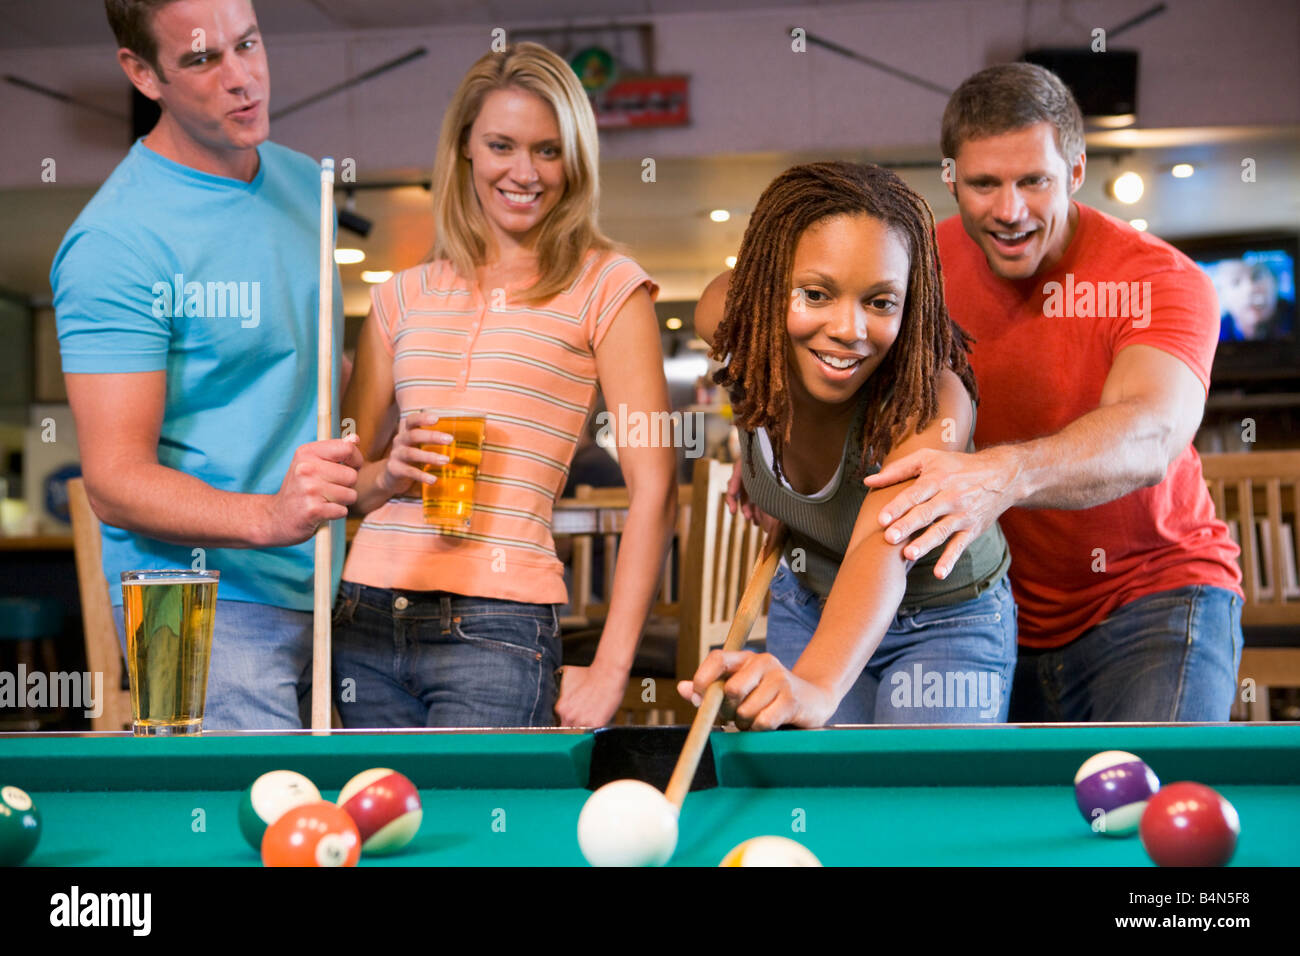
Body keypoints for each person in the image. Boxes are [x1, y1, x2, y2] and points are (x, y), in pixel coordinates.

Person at [863, 63, 1242, 721]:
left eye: (1032, 181)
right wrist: (775, 450)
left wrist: (1006, 473)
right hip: (986, 609)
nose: (1009, 211)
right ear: (951, 179)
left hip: (1154, 597)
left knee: (1149, 810)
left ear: (1073, 171)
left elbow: (1150, 430)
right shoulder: (918, 262)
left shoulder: (1158, 277)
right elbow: (846, 369)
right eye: (983, 184)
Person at [333, 43, 676, 728]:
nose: (525, 172)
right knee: (386, 834)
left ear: (575, 159)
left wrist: (611, 668)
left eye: (548, 151)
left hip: (499, 626)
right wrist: (389, 476)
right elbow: (345, 484)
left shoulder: (607, 286)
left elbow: (656, 488)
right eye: (501, 145)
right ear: (465, 148)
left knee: (477, 831)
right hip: (365, 615)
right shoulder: (401, 296)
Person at [51, 0, 361, 729]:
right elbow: (115, 483)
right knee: (228, 834)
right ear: (142, 73)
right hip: (188, 602)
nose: (242, 78)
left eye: (247, 45)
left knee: (332, 835)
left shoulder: (301, 184)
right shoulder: (114, 242)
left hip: (324, 585)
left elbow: (309, 373)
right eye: (201, 59)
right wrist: (270, 517)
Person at [678, 162, 1016, 729]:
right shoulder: (729, 318)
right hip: (807, 600)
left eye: (881, 302)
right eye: (815, 293)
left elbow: (882, 547)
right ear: (766, 290)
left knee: (908, 807)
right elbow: (752, 379)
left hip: (944, 622)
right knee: (808, 804)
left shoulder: (932, 401)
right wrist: (757, 451)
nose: (849, 329)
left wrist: (812, 685)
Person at [1213, 259, 1295, 341]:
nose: (1250, 289)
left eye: (1257, 276)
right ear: (1221, 294)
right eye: (1235, 282)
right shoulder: (1215, 335)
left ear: (1275, 281)